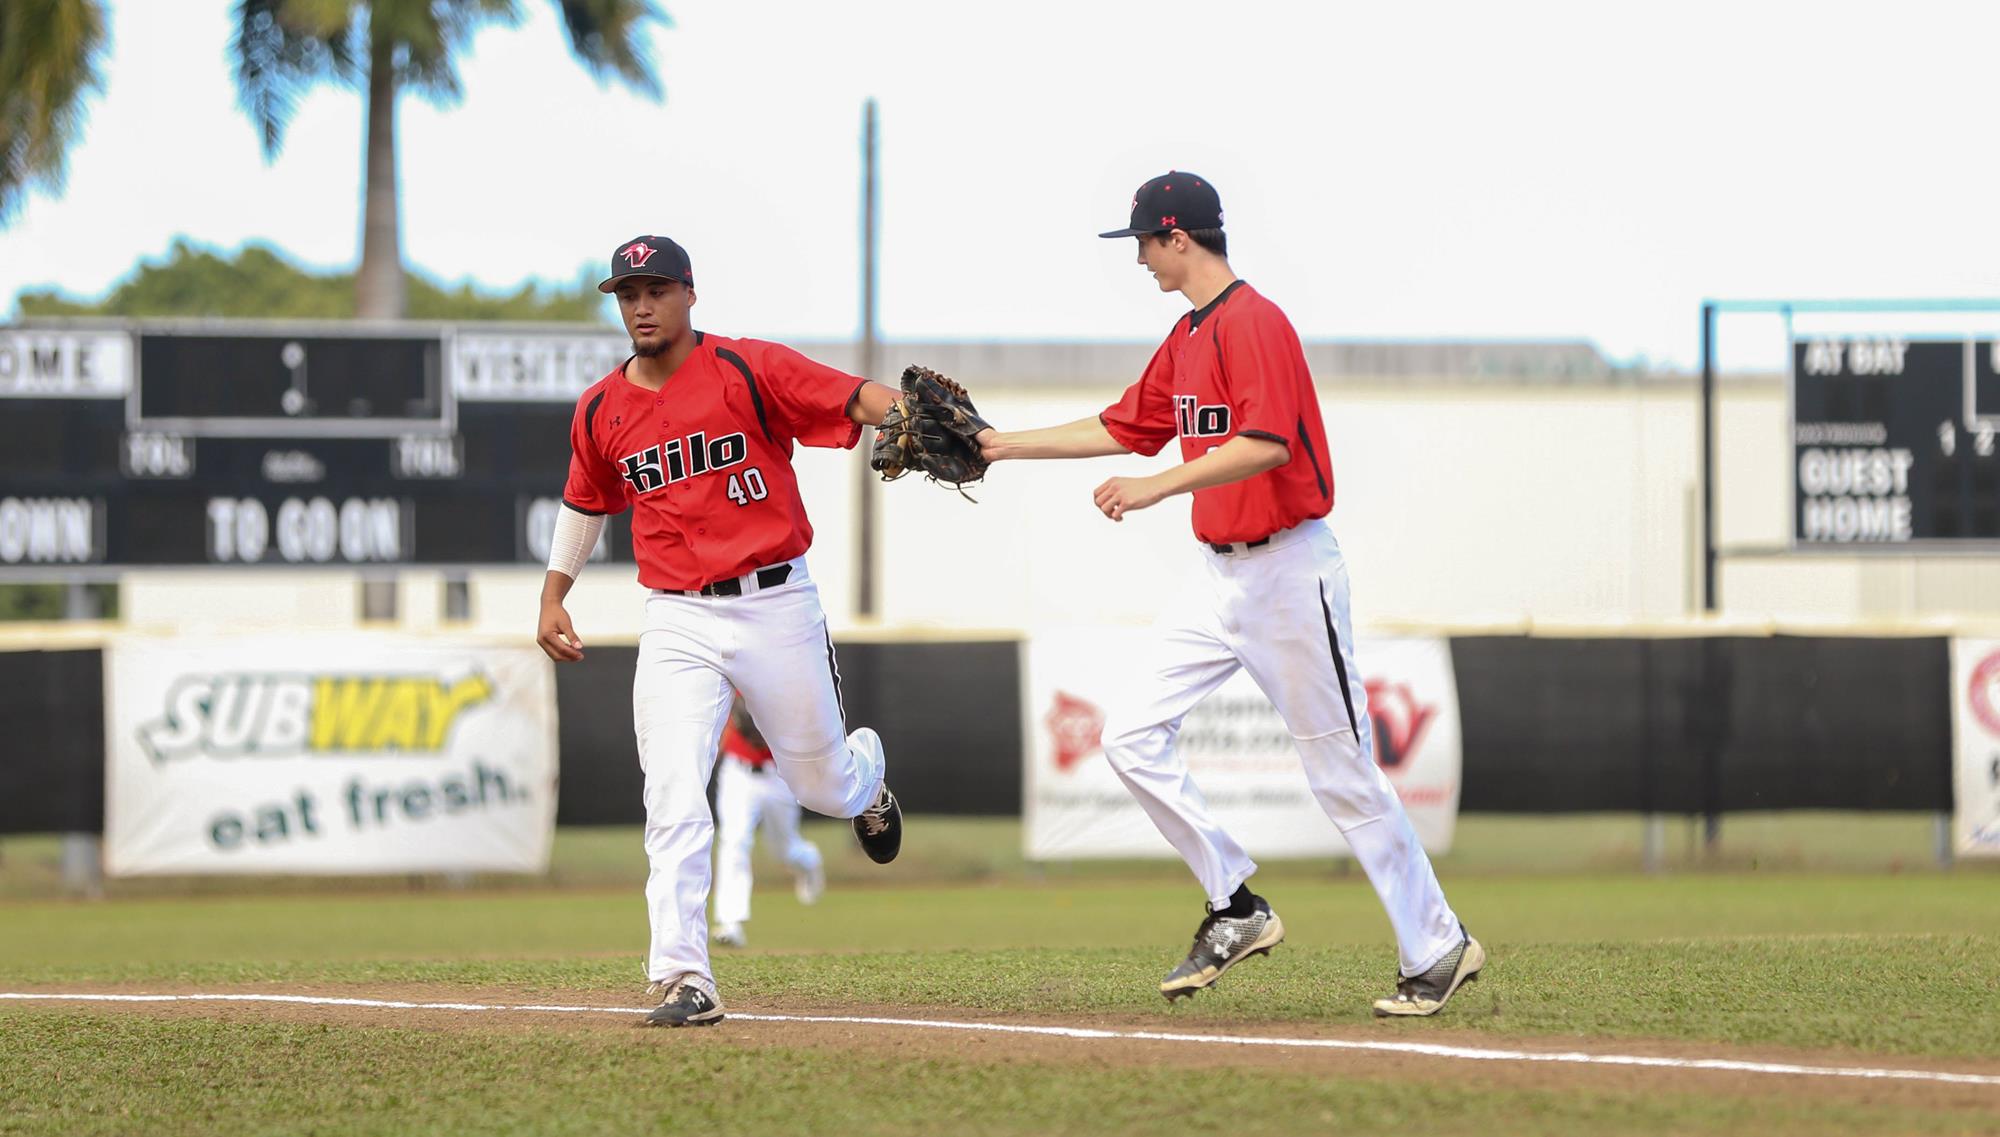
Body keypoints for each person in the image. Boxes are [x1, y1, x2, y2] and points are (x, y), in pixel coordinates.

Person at [974, 173, 1483, 1016]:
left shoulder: (1256, 322)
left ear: (1179, 237)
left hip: (1289, 570)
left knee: (1342, 773)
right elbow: (1120, 424)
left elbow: (1265, 444)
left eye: (1142, 241)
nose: (1136, 257)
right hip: (1221, 578)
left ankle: (1437, 945)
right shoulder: (1186, 336)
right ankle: (1236, 904)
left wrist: (1158, 485)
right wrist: (1000, 446)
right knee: (1130, 733)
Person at [535, 234, 904, 1028]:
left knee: (819, 785)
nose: (640, 304)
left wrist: (905, 410)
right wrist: (553, 592)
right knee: (672, 791)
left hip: (774, 600)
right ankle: (683, 977)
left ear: (689, 294)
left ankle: (867, 782)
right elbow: (584, 499)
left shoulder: (746, 368)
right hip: (676, 615)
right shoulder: (601, 408)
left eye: (655, 288)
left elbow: (848, 395)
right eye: (626, 292)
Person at [711, 691, 826, 948]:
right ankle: (730, 922)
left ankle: (809, 859)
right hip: (738, 772)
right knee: (735, 840)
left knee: (784, 850)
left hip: (779, 774)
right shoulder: (738, 669)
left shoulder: (788, 676)